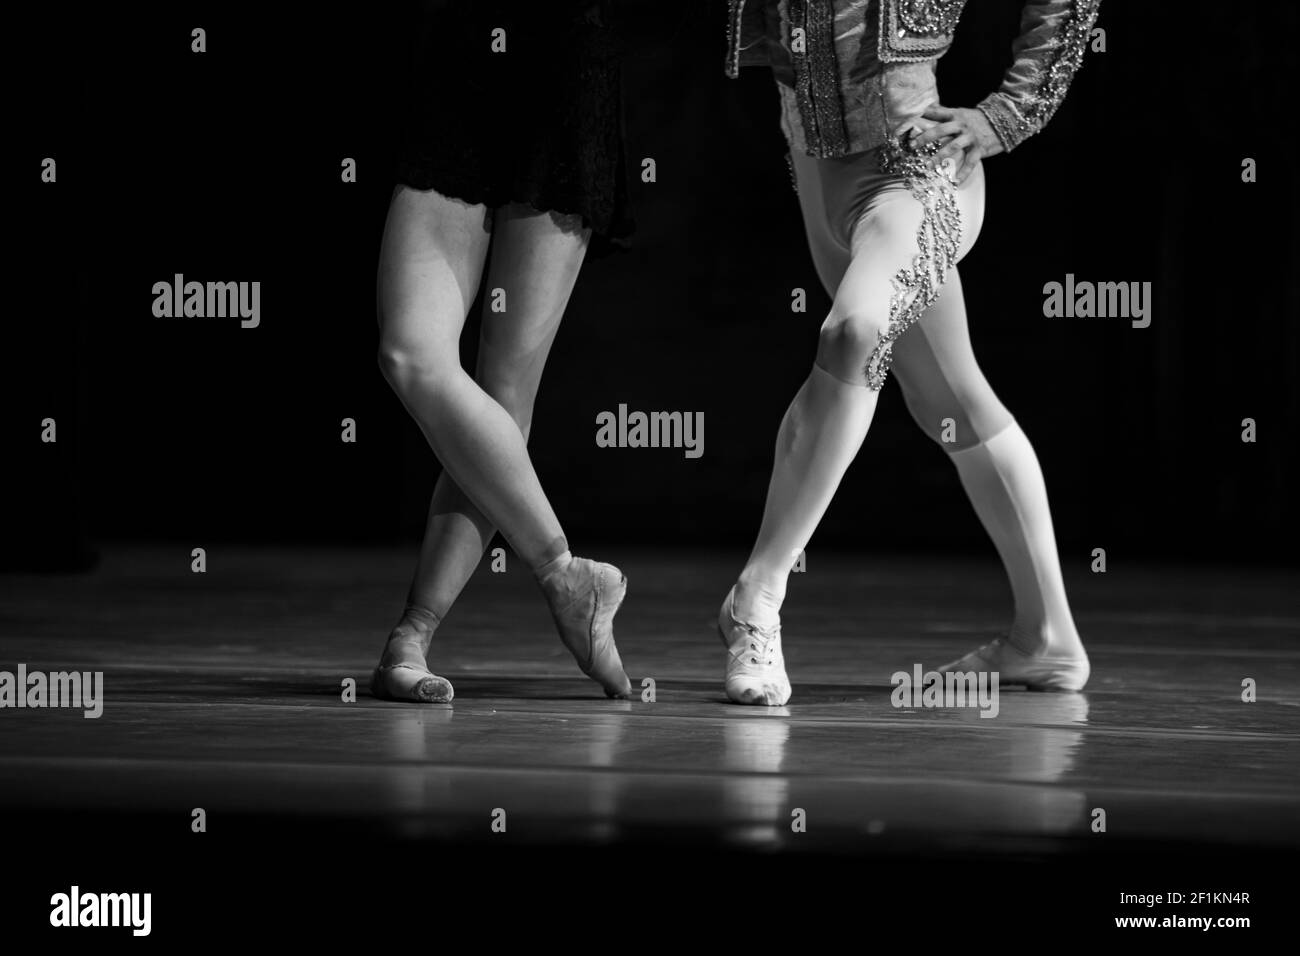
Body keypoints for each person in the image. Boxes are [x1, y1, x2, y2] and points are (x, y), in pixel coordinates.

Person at [719, 0, 1102, 704]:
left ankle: (756, 595)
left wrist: (1008, 114)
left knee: (853, 333)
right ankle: (1046, 637)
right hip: (814, 166)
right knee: (950, 402)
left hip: (916, 167)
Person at [372, 0, 634, 703]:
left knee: (504, 400)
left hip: (564, 68)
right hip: (455, 71)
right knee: (410, 353)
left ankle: (412, 635)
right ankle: (565, 573)